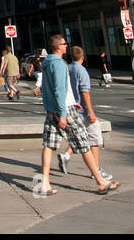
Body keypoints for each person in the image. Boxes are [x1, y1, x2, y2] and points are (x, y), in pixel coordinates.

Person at [37, 36, 115, 196]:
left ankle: (44, 183)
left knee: (49, 144)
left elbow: (50, 90)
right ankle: (101, 181)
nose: (67, 47)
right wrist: (65, 112)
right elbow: (59, 90)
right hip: (64, 109)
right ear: (58, 46)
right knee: (84, 142)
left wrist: (72, 102)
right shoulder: (59, 64)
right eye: (65, 44)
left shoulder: (46, 64)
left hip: (53, 109)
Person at [61, 46, 118, 190]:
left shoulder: (68, 69)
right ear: (82, 57)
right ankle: (96, 170)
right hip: (84, 110)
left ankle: (67, 155)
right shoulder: (82, 71)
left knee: (80, 137)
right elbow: (85, 92)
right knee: (95, 139)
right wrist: (91, 112)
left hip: (73, 108)